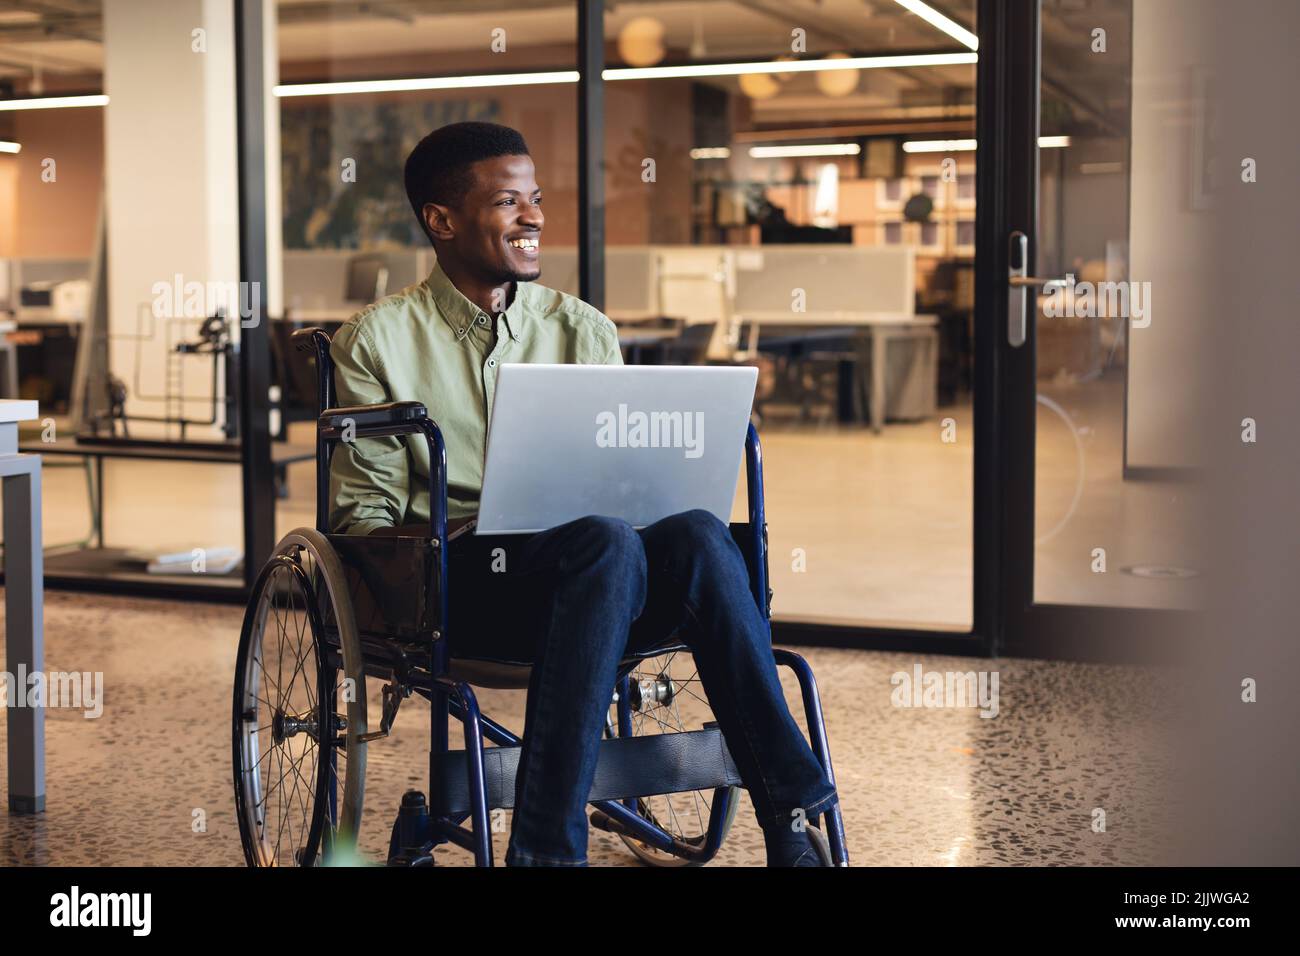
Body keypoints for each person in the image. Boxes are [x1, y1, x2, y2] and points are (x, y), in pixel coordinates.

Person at [328, 121, 838, 866]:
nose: (534, 216)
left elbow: (628, 480)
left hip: (604, 574)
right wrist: (464, 527)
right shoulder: (376, 341)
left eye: (535, 198)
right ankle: (548, 850)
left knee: (695, 530)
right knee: (604, 541)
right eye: (509, 202)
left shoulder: (581, 328)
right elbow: (361, 519)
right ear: (441, 220)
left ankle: (789, 816)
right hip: (467, 582)